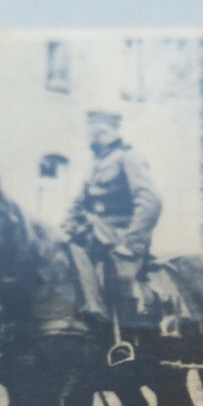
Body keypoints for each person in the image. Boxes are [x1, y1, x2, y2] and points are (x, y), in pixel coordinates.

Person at [63, 106, 162, 321]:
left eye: (92, 130)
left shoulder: (128, 158)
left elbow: (151, 202)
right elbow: (79, 203)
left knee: (120, 284)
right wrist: (68, 225)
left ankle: (110, 328)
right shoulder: (97, 164)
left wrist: (132, 243)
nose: (88, 135)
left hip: (120, 238)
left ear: (104, 131)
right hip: (96, 235)